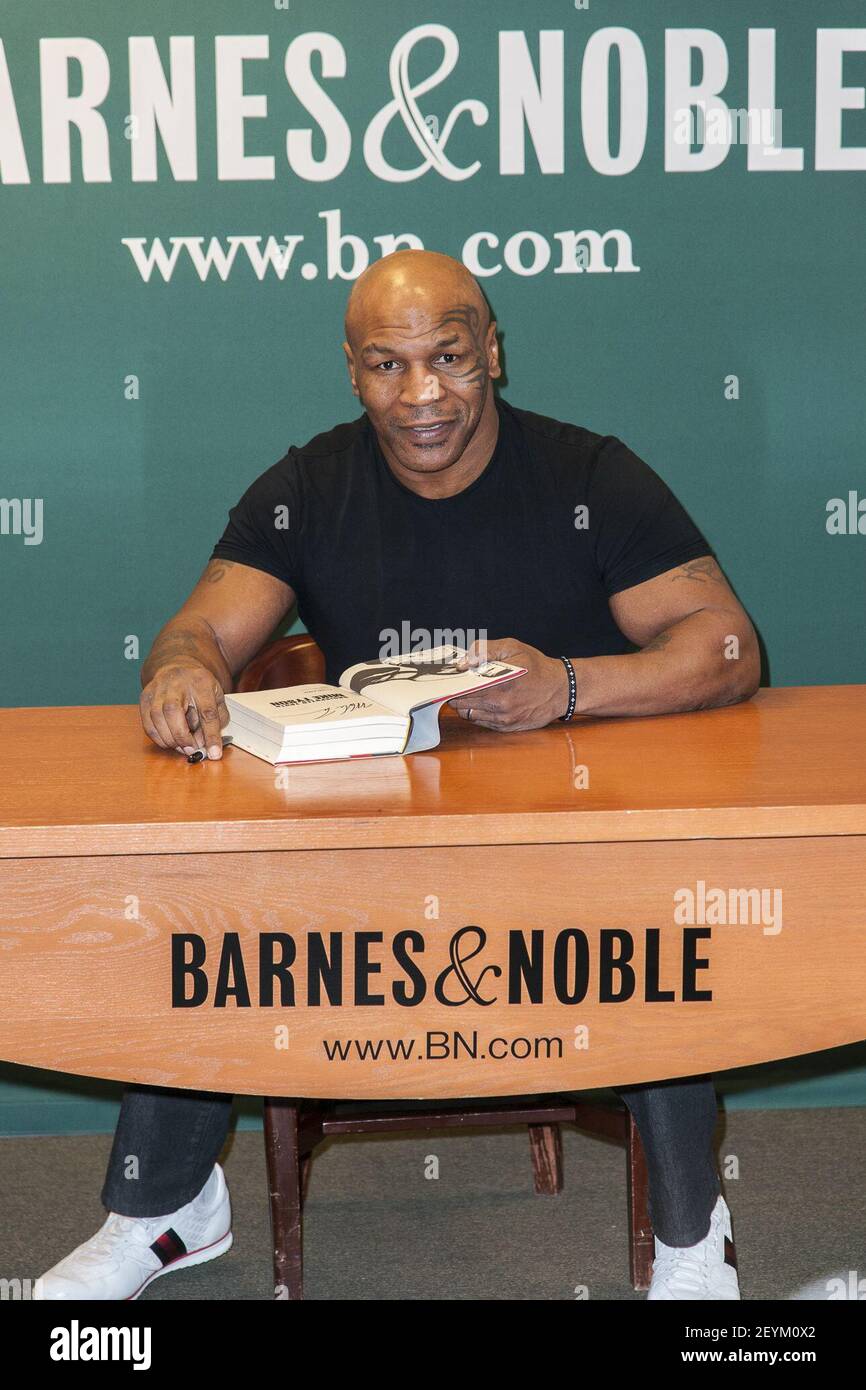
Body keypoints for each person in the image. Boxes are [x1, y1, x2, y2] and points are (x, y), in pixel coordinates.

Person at [37, 249, 758, 1301]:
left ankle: (693, 1235)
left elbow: (727, 647)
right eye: (387, 365)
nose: (421, 395)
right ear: (351, 370)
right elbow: (195, 628)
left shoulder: (587, 477)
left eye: (448, 359)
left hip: (564, 855)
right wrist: (183, 670)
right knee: (195, 890)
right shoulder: (307, 487)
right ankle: (166, 1211)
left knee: (651, 905)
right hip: (361, 870)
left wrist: (564, 686)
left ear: (492, 352)